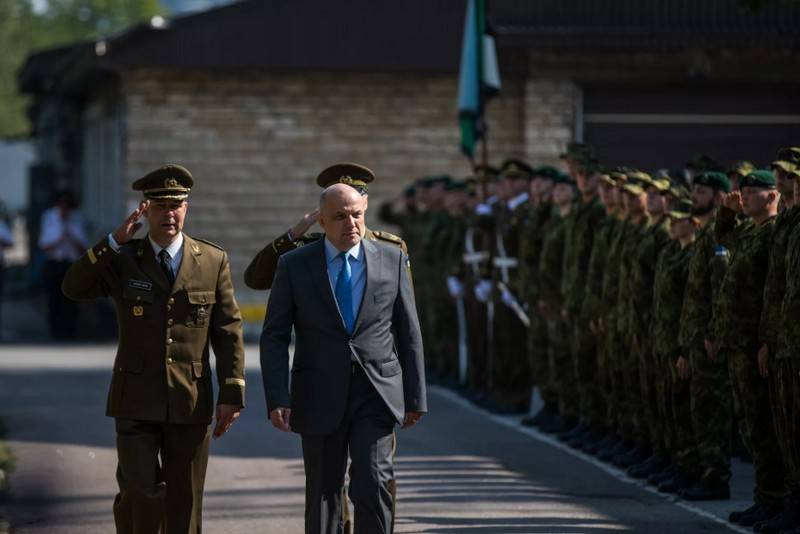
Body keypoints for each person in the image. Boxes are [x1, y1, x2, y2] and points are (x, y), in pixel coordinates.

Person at [61, 164, 246, 534]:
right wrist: (113, 241)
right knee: (141, 491)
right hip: (136, 398)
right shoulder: (125, 258)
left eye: (176, 204)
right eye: (160, 205)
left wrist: (232, 392)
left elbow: (227, 330)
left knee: (185, 499)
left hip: (190, 399)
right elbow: (73, 287)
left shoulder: (211, 261)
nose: (169, 213)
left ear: (186, 208)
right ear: (145, 210)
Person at [261, 178, 426, 534]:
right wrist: (277, 396)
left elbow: (408, 331)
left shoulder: (392, 258)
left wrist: (415, 396)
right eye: (339, 217)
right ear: (321, 220)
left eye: (356, 215)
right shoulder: (295, 264)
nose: (350, 224)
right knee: (323, 493)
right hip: (318, 392)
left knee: (373, 482)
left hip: (375, 391)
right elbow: (274, 335)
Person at [39, 189, 87, 339]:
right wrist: (59, 239)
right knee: (54, 298)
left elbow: (83, 247)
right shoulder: (49, 217)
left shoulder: (77, 218)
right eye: (62, 205)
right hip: (54, 262)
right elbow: (44, 245)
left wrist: (70, 235)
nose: (64, 209)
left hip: (71, 264)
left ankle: (70, 331)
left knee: (71, 300)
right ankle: (55, 332)